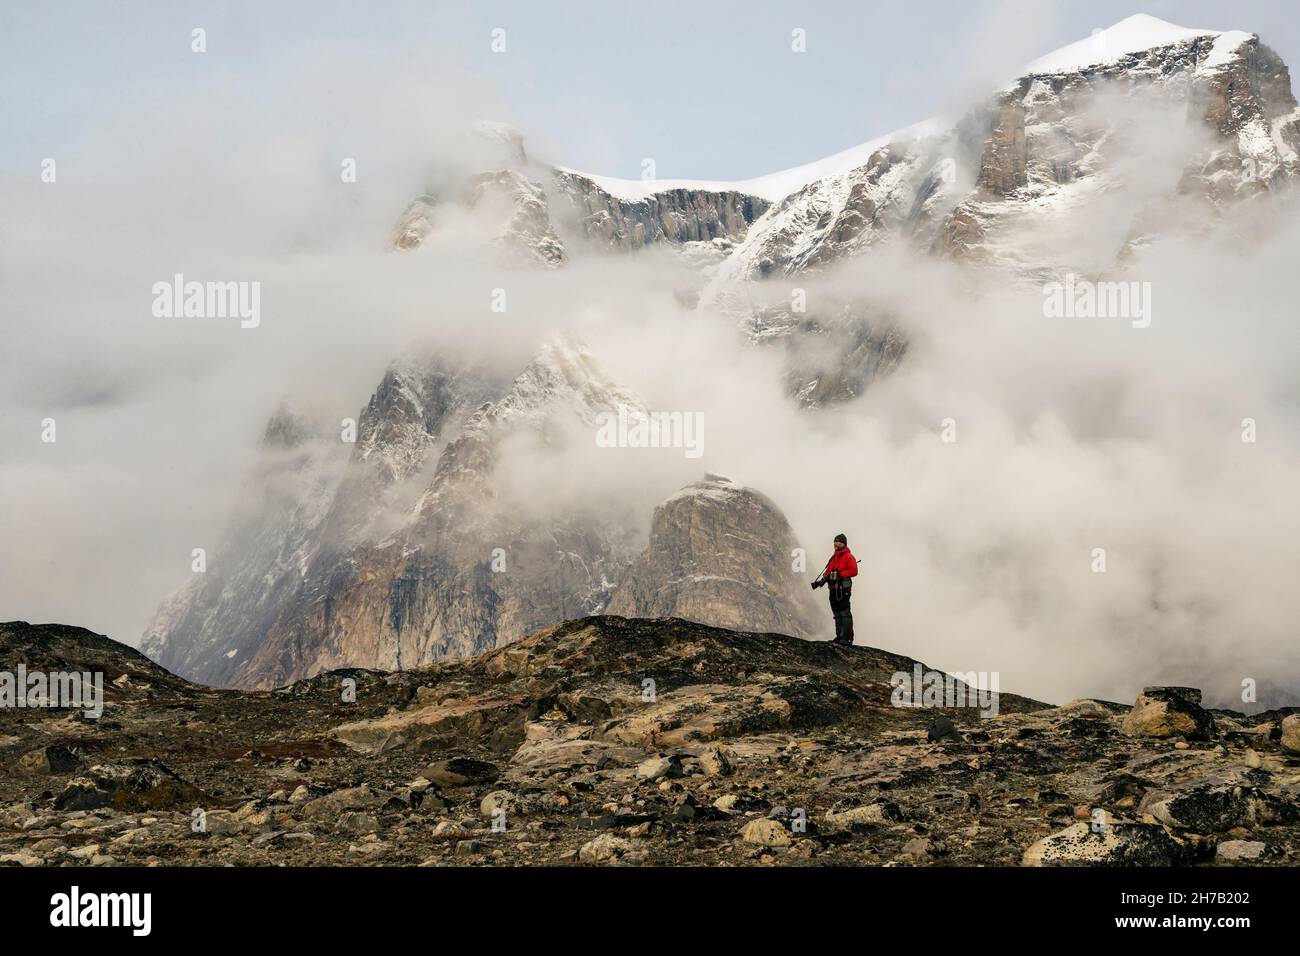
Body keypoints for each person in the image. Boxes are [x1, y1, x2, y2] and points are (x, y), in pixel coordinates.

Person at [812, 533, 858, 645]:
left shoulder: (849, 557)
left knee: (844, 613)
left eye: (837, 541)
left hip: (843, 589)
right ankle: (839, 637)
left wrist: (840, 574)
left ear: (843, 543)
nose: (835, 544)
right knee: (837, 613)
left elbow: (854, 571)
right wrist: (824, 578)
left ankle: (846, 638)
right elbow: (828, 571)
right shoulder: (834, 557)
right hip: (833, 589)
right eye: (835, 541)